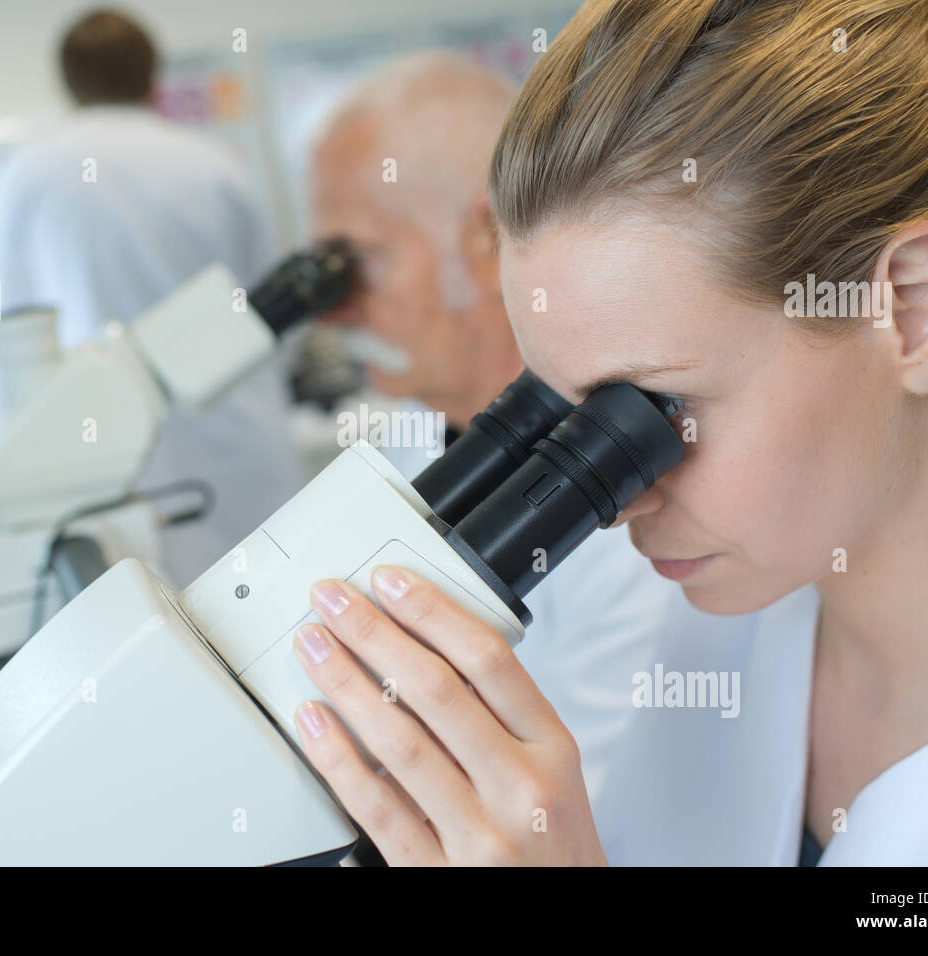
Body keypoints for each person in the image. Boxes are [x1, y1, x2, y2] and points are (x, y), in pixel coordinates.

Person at [290, 0, 928, 865]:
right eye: (578, 417)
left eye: (658, 411)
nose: (616, 505)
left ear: (912, 312)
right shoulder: (726, 628)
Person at [308, 50, 693, 860]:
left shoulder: (646, 512)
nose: (335, 313)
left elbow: (601, 829)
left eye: (360, 262)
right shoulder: (403, 437)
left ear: (486, 236)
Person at [0, 9, 307, 586]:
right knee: (274, 623)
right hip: (241, 439)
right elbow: (280, 308)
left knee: (155, 640)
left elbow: (7, 332)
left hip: (110, 455)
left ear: (68, 82)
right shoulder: (216, 164)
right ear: (153, 75)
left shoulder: (29, 172)